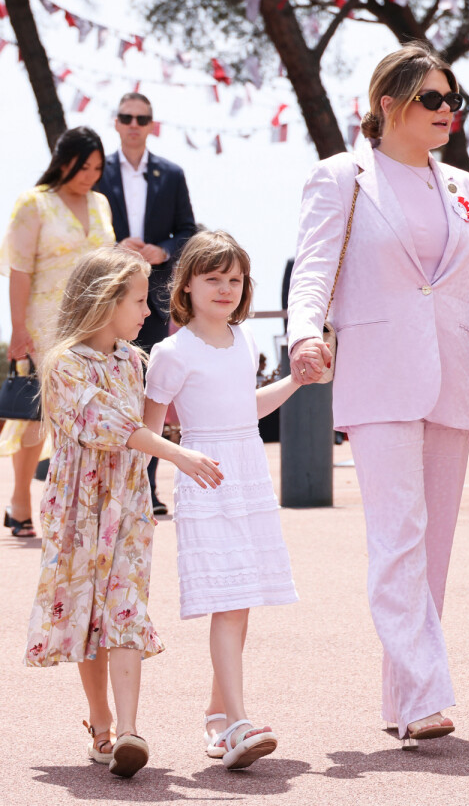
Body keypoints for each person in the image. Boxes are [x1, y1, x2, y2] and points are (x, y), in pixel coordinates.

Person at [288, 44, 469, 747]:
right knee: (397, 537)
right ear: (389, 105)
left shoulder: (466, 186)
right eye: (432, 99)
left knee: (433, 548)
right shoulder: (342, 177)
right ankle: (430, 689)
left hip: (452, 379)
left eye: (453, 99)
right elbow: (312, 267)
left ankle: (404, 697)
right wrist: (302, 333)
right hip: (378, 377)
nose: (448, 112)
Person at [25, 247, 222, 778]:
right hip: (79, 514)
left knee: (125, 610)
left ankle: (130, 730)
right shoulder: (63, 363)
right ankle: (101, 722)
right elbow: (105, 423)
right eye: (138, 300)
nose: (147, 312)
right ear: (105, 301)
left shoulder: (136, 362)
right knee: (89, 616)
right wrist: (176, 453)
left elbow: (175, 404)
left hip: (129, 508)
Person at [143, 231, 299, 769]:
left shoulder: (245, 339)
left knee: (242, 601)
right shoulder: (170, 352)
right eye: (213, 278)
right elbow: (149, 430)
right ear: (186, 283)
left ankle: (217, 717)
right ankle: (236, 723)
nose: (226, 288)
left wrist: (295, 382)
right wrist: (182, 460)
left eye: (234, 279)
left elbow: (245, 408)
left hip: (249, 474)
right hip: (205, 482)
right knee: (229, 605)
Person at [1, 127, 115, 539]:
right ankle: (19, 502)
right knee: (36, 415)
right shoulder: (34, 203)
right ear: (62, 160)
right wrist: (17, 329)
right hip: (43, 323)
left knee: (89, 414)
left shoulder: (101, 203)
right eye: (83, 166)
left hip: (95, 322)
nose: (90, 175)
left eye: (98, 167)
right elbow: (18, 270)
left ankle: (79, 507)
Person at [95, 92, 198, 516]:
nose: (134, 124)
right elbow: (86, 229)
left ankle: (147, 489)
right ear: (116, 123)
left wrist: (162, 250)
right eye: (126, 117)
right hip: (105, 298)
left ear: (152, 124)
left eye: (142, 118)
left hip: (151, 301)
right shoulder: (97, 173)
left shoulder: (171, 174)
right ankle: (104, 489)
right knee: (106, 390)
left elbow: (188, 231)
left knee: (148, 392)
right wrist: (114, 246)